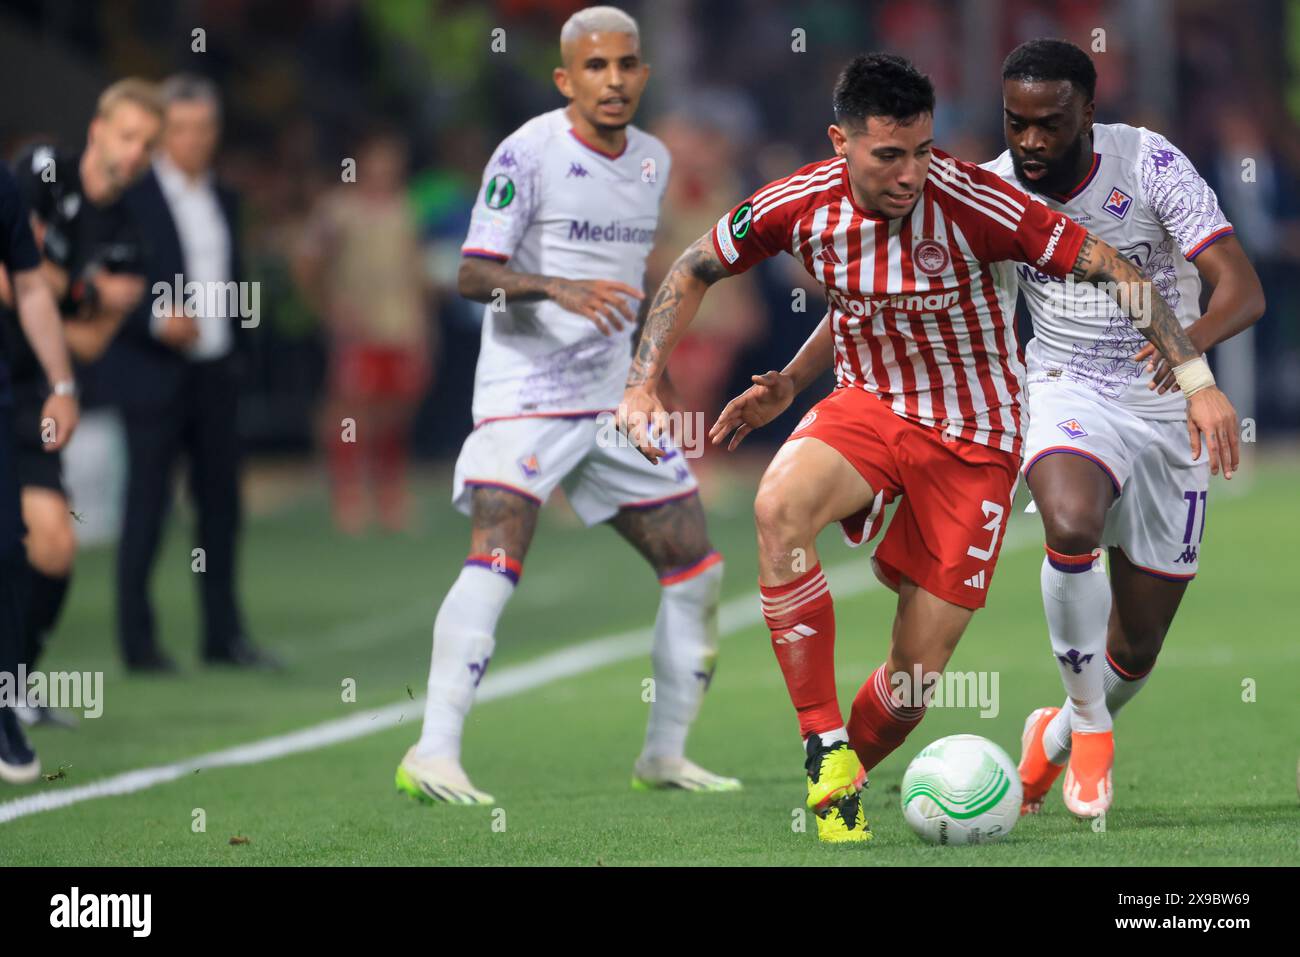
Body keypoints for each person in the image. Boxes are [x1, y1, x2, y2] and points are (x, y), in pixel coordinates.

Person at [623, 53, 1238, 842]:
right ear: (839, 142)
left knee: (911, 682)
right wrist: (649, 385)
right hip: (869, 407)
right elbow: (695, 265)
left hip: (977, 439)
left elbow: (1118, 270)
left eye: (922, 150)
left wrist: (1194, 375)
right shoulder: (797, 202)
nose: (912, 174)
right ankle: (824, 749)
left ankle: (859, 757)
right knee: (778, 506)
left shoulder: (982, 202)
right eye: (889, 155)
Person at [395, 6, 739, 805]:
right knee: (499, 553)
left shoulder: (652, 161)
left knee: (695, 567)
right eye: (595, 67)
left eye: (625, 65)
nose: (612, 80)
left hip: (612, 404)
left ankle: (664, 754)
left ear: (643, 75)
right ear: (566, 78)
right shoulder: (527, 151)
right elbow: (473, 273)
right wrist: (554, 285)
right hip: (526, 397)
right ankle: (433, 749)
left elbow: (646, 285)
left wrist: (653, 381)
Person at [983, 39, 1263, 817]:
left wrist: (1189, 361)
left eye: (1050, 122)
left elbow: (1241, 289)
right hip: (1067, 387)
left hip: (1168, 409)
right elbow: (974, 316)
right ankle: (1091, 725)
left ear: (1089, 114)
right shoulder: (995, 193)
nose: (1031, 141)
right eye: (1016, 122)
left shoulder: (1149, 165)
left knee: (1135, 650)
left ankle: (1057, 730)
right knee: (1069, 522)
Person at [111, 74, 272, 672]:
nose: (193, 140)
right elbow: (107, 282)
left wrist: (241, 351)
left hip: (215, 376)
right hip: (155, 374)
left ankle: (223, 635)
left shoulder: (224, 197)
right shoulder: (133, 197)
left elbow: (235, 279)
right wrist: (157, 318)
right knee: (147, 508)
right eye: (180, 128)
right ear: (160, 133)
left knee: (222, 509)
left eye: (204, 128)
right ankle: (138, 641)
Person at [6, 79, 160, 694]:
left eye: (147, 145)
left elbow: (92, 343)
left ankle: (14, 688)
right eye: (126, 136)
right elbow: (12, 275)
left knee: (55, 545)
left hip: (38, 389)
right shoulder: (41, 170)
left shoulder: (131, 240)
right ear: (97, 130)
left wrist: (47, 283)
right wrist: (88, 293)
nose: (134, 153)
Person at [297, 128, 433, 534]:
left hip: (402, 325)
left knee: (395, 413)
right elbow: (306, 261)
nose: (384, 169)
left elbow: (415, 268)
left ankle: (390, 494)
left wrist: (424, 322)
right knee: (351, 410)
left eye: (392, 162)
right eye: (377, 160)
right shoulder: (338, 210)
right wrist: (327, 307)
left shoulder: (406, 209)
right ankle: (349, 493)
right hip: (359, 327)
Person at [0, 161, 80, 779]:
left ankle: (7, 697)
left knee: (12, 551)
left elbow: (28, 287)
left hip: (13, 402)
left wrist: (61, 382)